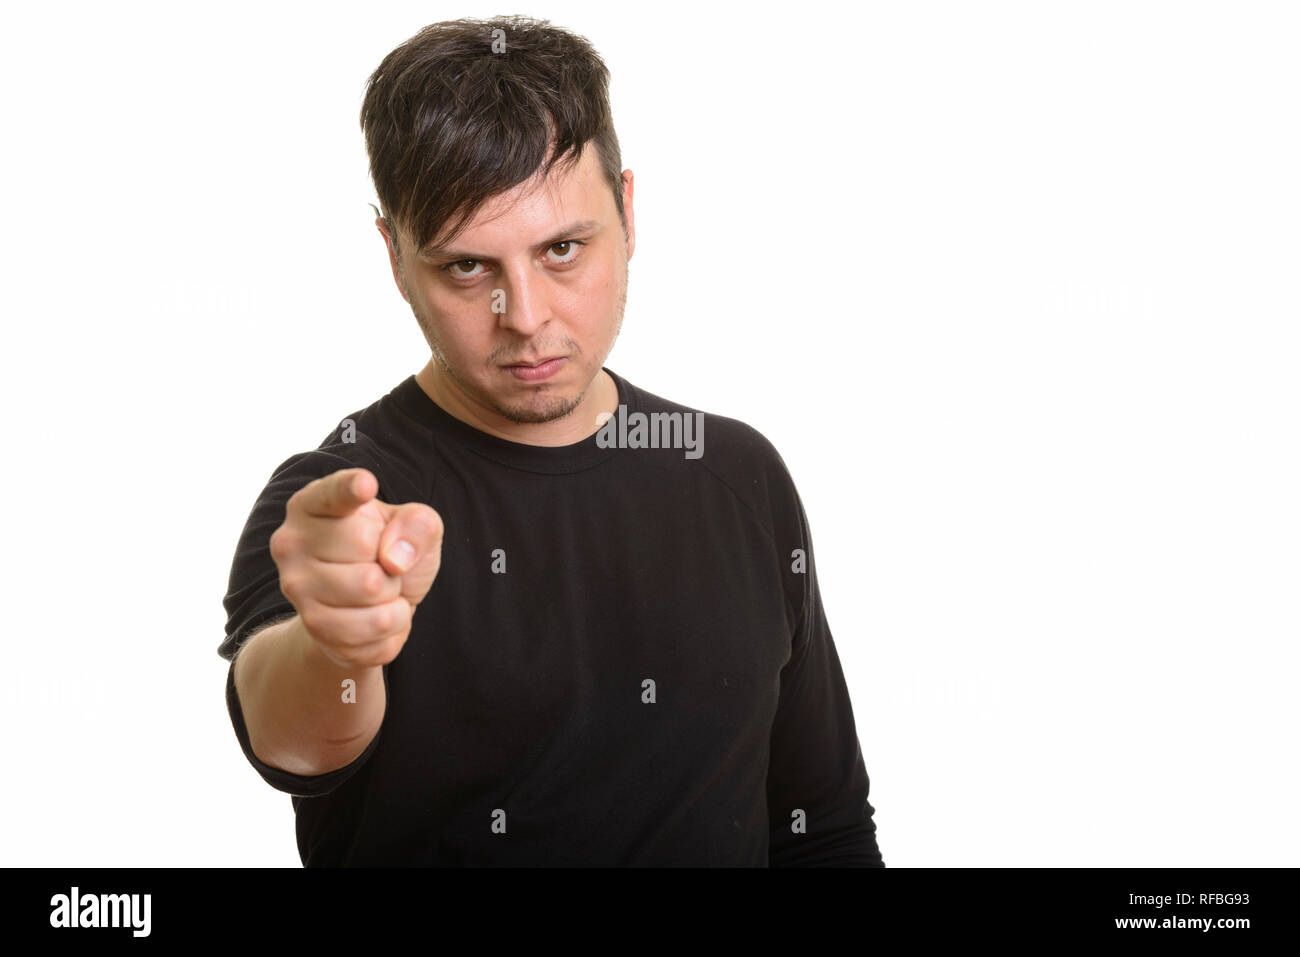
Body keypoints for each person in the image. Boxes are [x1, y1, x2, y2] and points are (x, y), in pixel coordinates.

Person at [218, 14, 884, 867]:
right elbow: (293, 740)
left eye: (563, 248)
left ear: (630, 212)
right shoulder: (342, 502)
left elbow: (823, 826)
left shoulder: (737, 473)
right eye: (467, 267)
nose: (524, 318)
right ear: (394, 256)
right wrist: (336, 643)